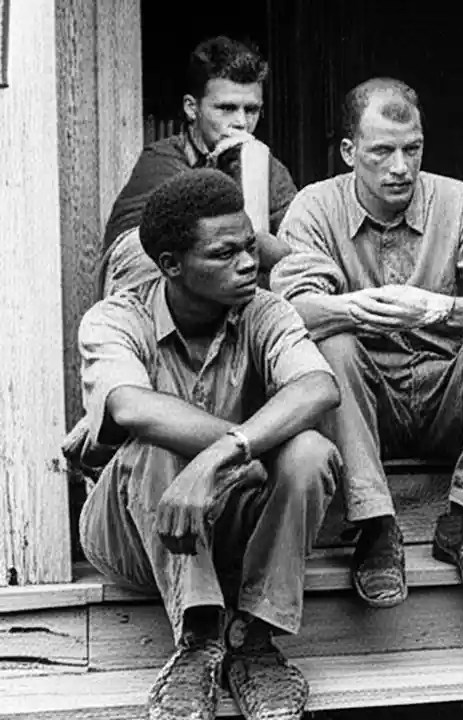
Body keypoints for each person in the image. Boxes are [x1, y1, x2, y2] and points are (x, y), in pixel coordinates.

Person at [271, 77, 463, 610]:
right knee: (330, 346)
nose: (401, 166)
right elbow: (289, 312)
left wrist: (441, 307)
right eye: (382, 151)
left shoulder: (457, 200)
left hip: (448, 393)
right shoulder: (314, 206)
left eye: (413, 148)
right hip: (363, 403)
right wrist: (353, 307)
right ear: (350, 151)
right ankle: (376, 529)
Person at [71, 169, 340, 720]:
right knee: (152, 441)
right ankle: (197, 639)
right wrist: (253, 450)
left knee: (310, 451)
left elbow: (319, 387)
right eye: (224, 255)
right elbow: (130, 407)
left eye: (249, 247)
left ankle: (255, 640)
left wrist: (227, 451)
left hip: (228, 522)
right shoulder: (117, 319)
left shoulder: (264, 310)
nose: (247, 264)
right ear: (171, 265)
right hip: (132, 533)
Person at [102, 35, 298, 295]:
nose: (241, 122)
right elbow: (167, 255)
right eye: (226, 108)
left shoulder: (270, 169)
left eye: (251, 110)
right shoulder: (161, 160)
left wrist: (251, 166)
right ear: (192, 108)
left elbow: (297, 254)